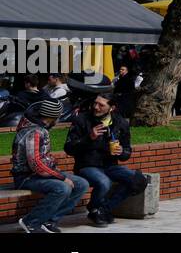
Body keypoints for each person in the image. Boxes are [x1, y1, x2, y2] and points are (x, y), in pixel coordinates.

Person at [63, 94, 149, 226]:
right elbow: (69, 148)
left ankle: (102, 210)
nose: (96, 107)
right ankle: (97, 210)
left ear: (112, 108)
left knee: (138, 180)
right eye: (95, 103)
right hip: (87, 165)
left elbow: (127, 151)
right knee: (104, 182)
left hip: (110, 165)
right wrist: (88, 138)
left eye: (101, 105)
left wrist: (122, 152)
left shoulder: (120, 123)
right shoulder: (81, 120)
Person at [10, 99, 89, 233]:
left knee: (81, 184)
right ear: (52, 116)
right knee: (62, 188)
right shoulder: (33, 132)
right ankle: (31, 222)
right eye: (58, 116)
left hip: (39, 175)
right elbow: (36, 164)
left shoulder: (41, 129)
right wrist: (62, 178)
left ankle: (48, 220)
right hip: (26, 177)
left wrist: (57, 172)